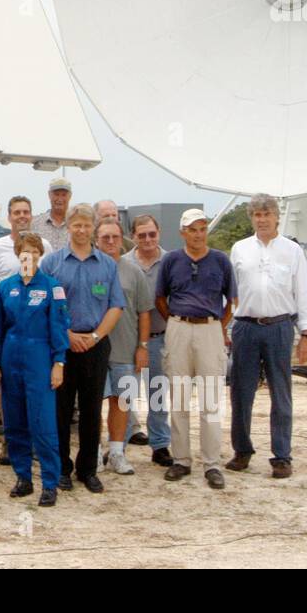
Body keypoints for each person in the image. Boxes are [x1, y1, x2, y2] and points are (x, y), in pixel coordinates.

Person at [227, 194, 307, 479]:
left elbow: (302, 291)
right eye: (256, 214)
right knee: (241, 393)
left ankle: (281, 456)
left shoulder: (292, 251)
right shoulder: (239, 249)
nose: (262, 219)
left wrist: (306, 333)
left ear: (277, 216)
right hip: (246, 327)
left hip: (279, 327)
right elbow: (231, 292)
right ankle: (242, 451)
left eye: (266, 213)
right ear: (251, 218)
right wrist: (224, 328)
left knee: (281, 392)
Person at [41, 203, 123, 493]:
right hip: (62, 345)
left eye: (87, 225)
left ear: (93, 228)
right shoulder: (52, 263)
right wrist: (66, 334)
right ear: (69, 228)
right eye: (76, 224)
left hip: (96, 344)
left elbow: (115, 306)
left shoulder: (108, 264)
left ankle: (87, 469)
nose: (81, 229)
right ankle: (61, 468)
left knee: (91, 410)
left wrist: (96, 336)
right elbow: (44, 306)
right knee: (61, 410)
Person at [155, 208, 236, 489]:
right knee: (178, 398)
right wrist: (178, 322)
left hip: (211, 329)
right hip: (178, 327)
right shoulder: (171, 261)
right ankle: (181, 460)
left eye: (202, 228)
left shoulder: (221, 261)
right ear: (182, 233)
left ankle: (212, 463)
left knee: (211, 401)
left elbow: (231, 301)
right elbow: (160, 298)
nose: (198, 234)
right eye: (192, 229)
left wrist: (217, 326)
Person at [0, 233, 68, 507]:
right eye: (25, 252)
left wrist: (58, 363)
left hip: (40, 361)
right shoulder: (5, 288)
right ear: (17, 254)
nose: (30, 257)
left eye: (35, 252)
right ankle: (23, 478)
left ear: (40, 255)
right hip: (11, 359)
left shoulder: (51, 287)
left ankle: (50, 482)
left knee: (43, 424)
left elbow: (59, 327)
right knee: (14, 423)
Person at [95, 219, 151, 477]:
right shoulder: (90, 267)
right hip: (93, 349)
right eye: (105, 237)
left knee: (122, 402)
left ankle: (117, 452)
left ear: (122, 239)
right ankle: (93, 452)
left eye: (114, 237)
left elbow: (144, 312)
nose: (110, 241)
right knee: (92, 403)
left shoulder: (134, 271)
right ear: (97, 239)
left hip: (125, 349)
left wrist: (142, 347)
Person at [126, 214, 173, 466]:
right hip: (128, 339)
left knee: (157, 393)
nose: (147, 239)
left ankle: (160, 444)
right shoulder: (123, 263)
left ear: (159, 233)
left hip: (159, 337)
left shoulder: (172, 261)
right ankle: (119, 444)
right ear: (133, 236)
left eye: (151, 234)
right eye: (141, 234)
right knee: (124, 393)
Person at [0, 196, 53, 285]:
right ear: (9, 217)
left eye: (26, 212)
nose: (22, 216)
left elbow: (50, 277)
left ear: (31, 216)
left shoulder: (44, 245)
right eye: (17, 213)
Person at [32, 178, 73, 251]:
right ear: (49, 195)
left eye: (64, 195)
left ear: (70, 196)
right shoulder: (35, 223)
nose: (60, 199)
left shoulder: (76, 225)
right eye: (56, 194)